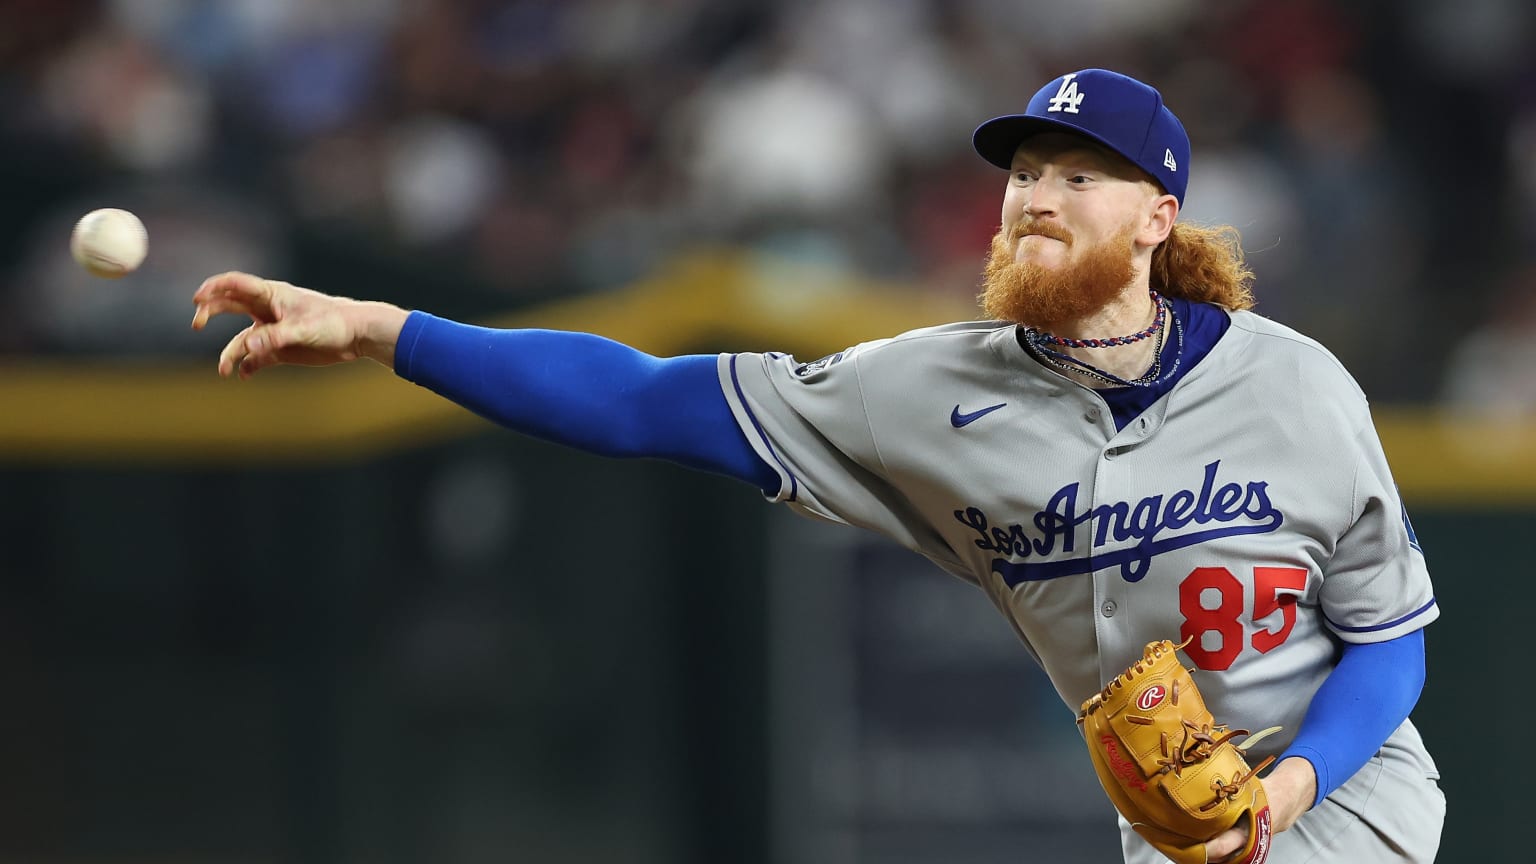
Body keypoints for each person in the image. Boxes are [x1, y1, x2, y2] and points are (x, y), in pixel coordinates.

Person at [191, 68, 1443, 863]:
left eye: (1077, 175)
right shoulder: (925, 392)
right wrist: (382, 330)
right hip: (1175, 836)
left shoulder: (1292, 383)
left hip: (1343, 800)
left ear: (1158, 219)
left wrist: (1285, 796)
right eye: (1020, 174)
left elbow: (1391, 638)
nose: (1034, 198)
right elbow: (639, 399)